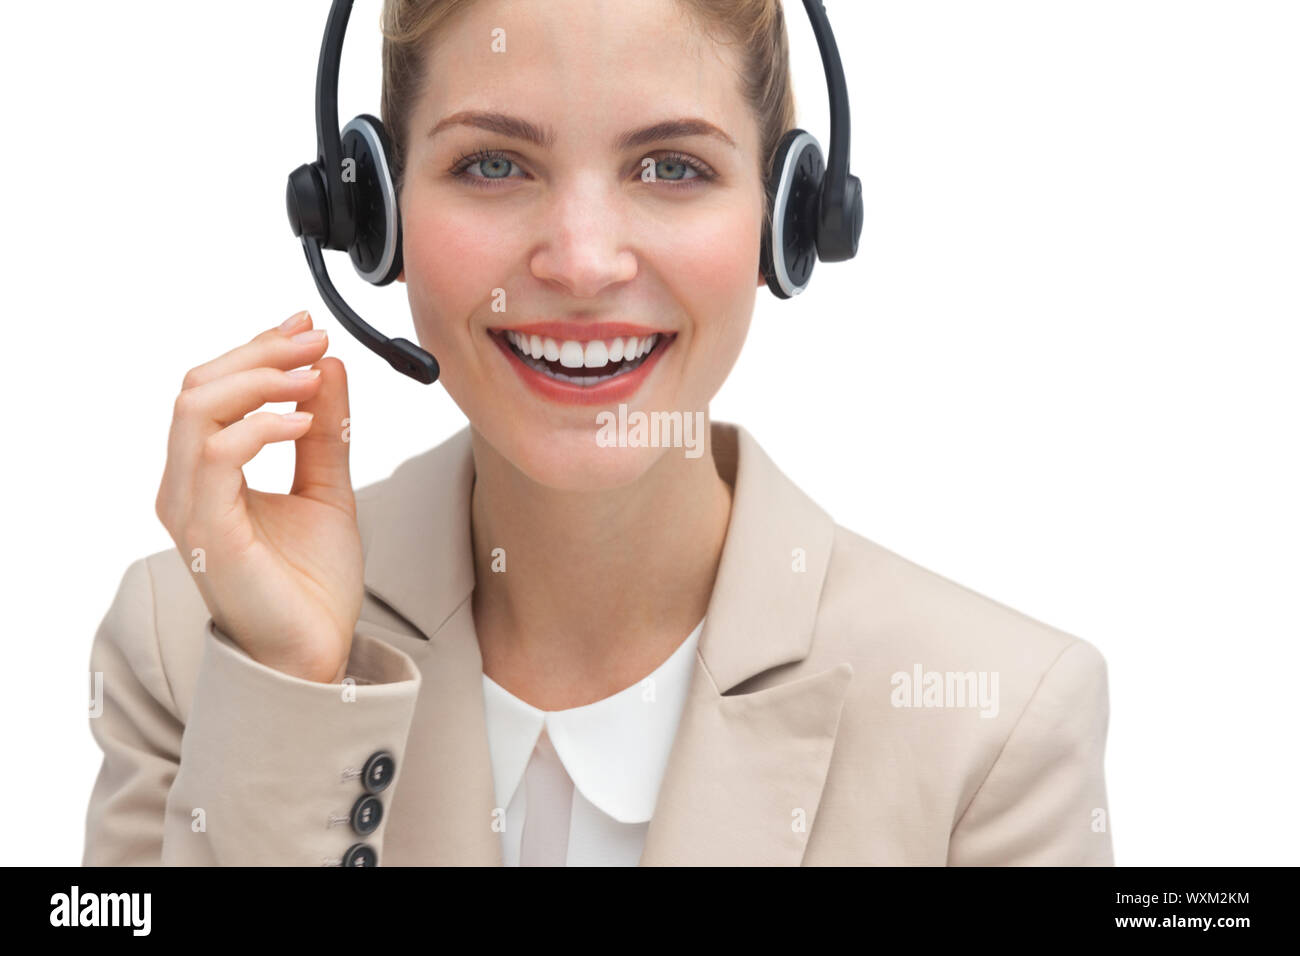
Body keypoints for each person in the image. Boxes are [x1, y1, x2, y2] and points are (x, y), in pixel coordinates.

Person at [83, 0, 1114, 866]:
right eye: (493, 165)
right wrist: (295, 697)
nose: (582, 263)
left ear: (790, 217)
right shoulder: (192, 646)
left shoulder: (995, 725)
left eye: (670, 167)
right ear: (371, 210)